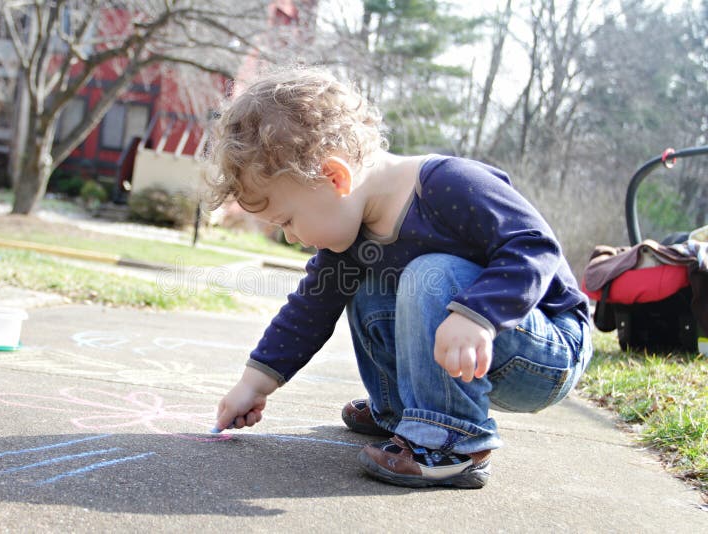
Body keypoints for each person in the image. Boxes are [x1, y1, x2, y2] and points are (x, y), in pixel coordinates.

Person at [204, 67, 593, 489]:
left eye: (288, 220)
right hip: (474, 347)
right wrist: (252, 384)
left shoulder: (450, 186)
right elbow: (308, 311)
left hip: (545, 348)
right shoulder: (350, 237)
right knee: (368, 285)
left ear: (335, 178)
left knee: (431, 273)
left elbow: (536, 247)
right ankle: (403, 412)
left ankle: (451, 443)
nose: (292, 237)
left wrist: (478, 314)